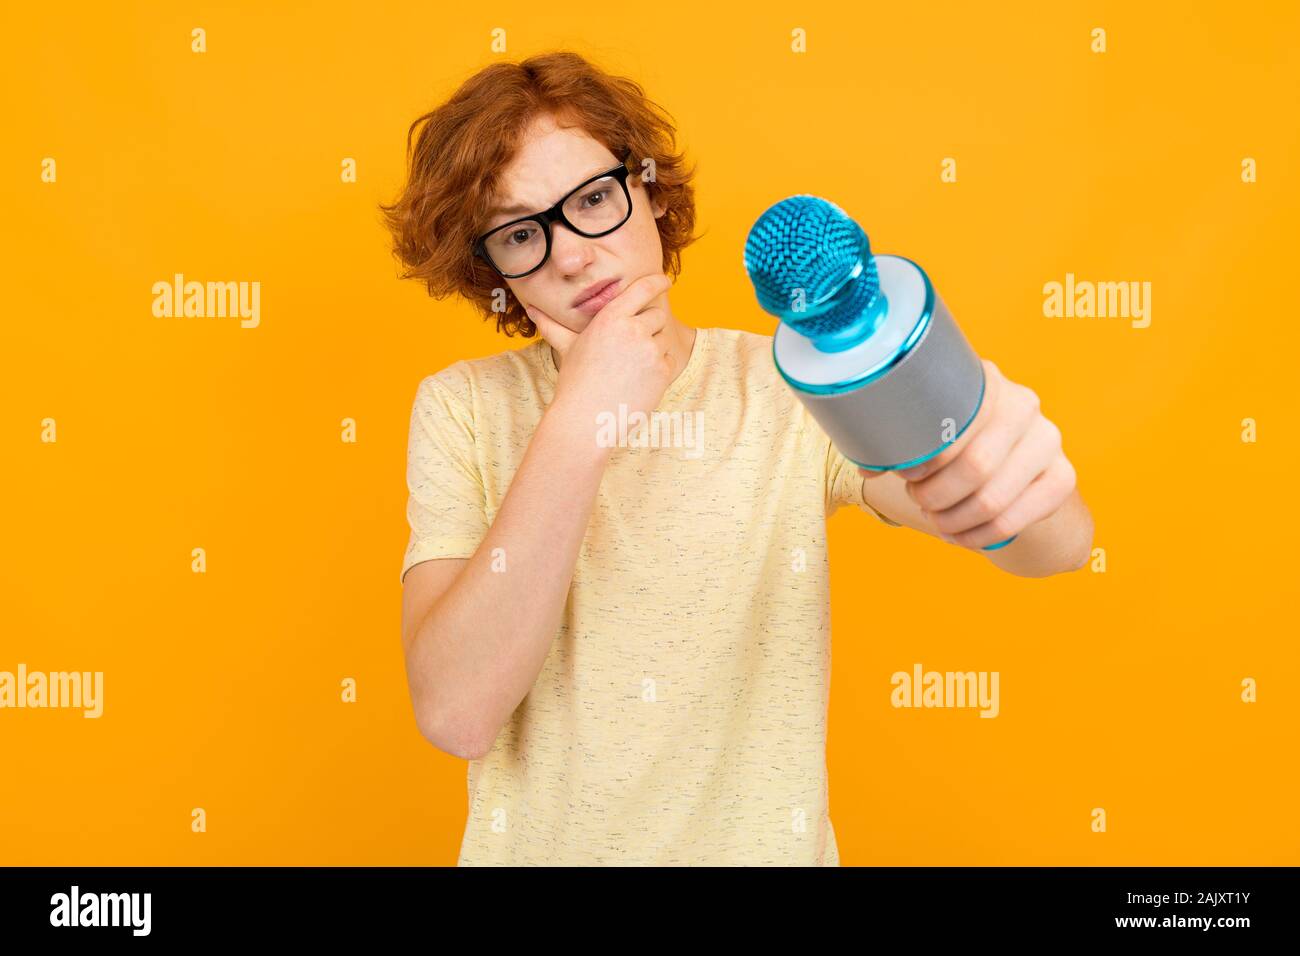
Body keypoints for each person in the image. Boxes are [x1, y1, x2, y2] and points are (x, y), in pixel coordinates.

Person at [380, 51, 1094, 866]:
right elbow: (457, 712)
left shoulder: (785, 387)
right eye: (519, 234)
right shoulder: (463, 408)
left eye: (593, 199)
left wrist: (1013, 477)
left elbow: (1049, 542)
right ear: (491, 270)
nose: (571, 253)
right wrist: (582, 421)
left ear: (645, 191)